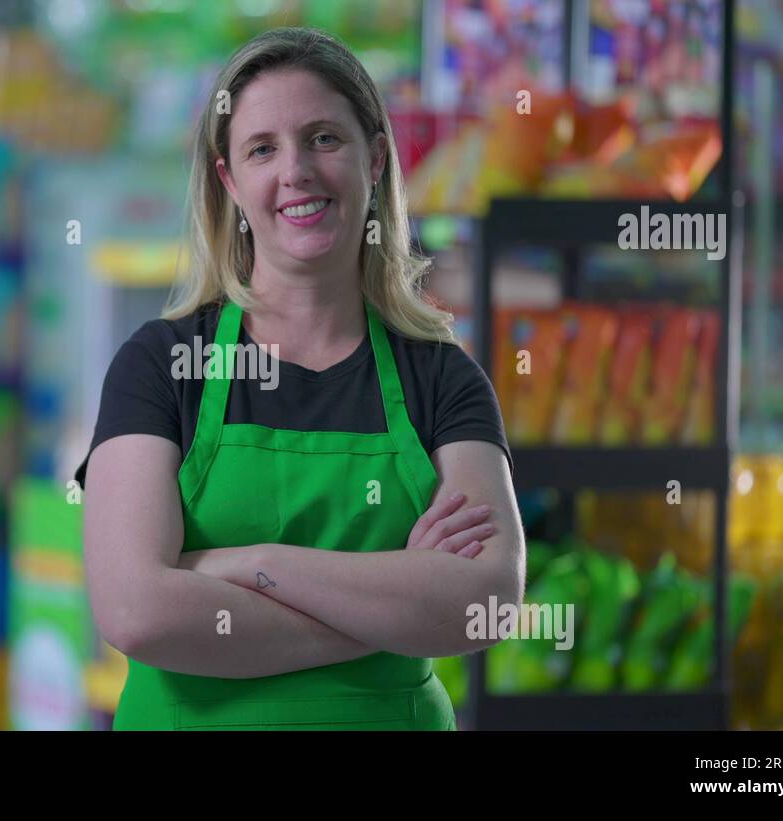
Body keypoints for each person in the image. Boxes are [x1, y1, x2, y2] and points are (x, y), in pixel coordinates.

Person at [74, 27, 525, 730]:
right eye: (263, 149)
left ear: (374, 159)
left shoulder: (443, 378)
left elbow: (486, 602)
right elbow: (134, 611)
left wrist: (247, 563)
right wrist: (396, 612)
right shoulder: (161, 366)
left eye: (323, 139)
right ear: (229, 180)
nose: (297, 172)